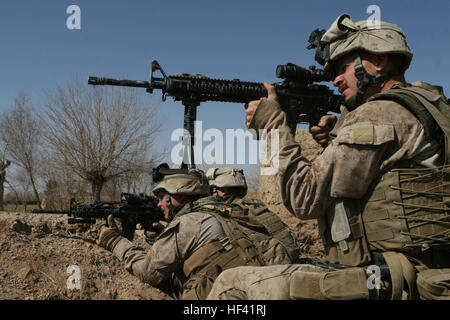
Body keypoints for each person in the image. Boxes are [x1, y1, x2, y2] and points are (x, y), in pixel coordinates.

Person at [207, 13, 450, 300]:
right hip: (426, 270)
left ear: (380, 60)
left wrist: (273, 127)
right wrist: (337, 138)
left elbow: (304, 199)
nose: (335, 79)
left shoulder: (376, 113)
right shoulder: (430, 105)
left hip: (393, 279)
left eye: (343, 67)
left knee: (233, 283)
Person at [97, 164, 277, 300]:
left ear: (180, 195)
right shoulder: (223, 210)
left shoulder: (187, 223)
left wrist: (114, 241)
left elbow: (147, 272)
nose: (159, 204)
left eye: (162, 197)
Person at [206, 167, 300, 264]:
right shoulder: (257, 206)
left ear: (223, 190)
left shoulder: (231, 214)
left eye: (213, 190)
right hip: (292, 263)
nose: (211, 196)